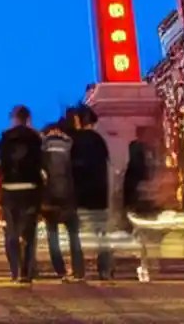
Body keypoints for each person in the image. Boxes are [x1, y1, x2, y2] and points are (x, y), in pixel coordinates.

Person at [0, 105, 42, 284]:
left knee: (11, 231)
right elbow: (40, 163)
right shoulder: (35, 138)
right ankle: (26, 271)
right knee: (29, 232)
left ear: (13, 118)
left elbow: (1, 164)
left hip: (10, 188)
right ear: (28, 118)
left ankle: (14, 269)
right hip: (31, 188)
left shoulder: (5, 137)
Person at [71, 105, 113, 280]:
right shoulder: (99, 141)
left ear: (79, 120)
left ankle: (79, 270)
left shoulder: (75, 141)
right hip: (99, 193)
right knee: (102, 233)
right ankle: (105, 269)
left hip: (80, 194)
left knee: (75, 233)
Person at [41, 119, 84, 281]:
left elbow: (40, 172)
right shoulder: (70, 144)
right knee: (74, 234)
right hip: (69, 195)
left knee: (53, 235)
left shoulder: (43, 146)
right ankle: (78, 270)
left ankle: (61, 270)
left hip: (50, 196)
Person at [122, 140, 157, 282]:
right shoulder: (148, 168)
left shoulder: (131, 169)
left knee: (140, 238)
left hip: (136, 206)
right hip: (147, 206)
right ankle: (148, 264)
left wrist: (126, 206)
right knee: (147, 238)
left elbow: (127, 189)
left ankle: (144, 264)